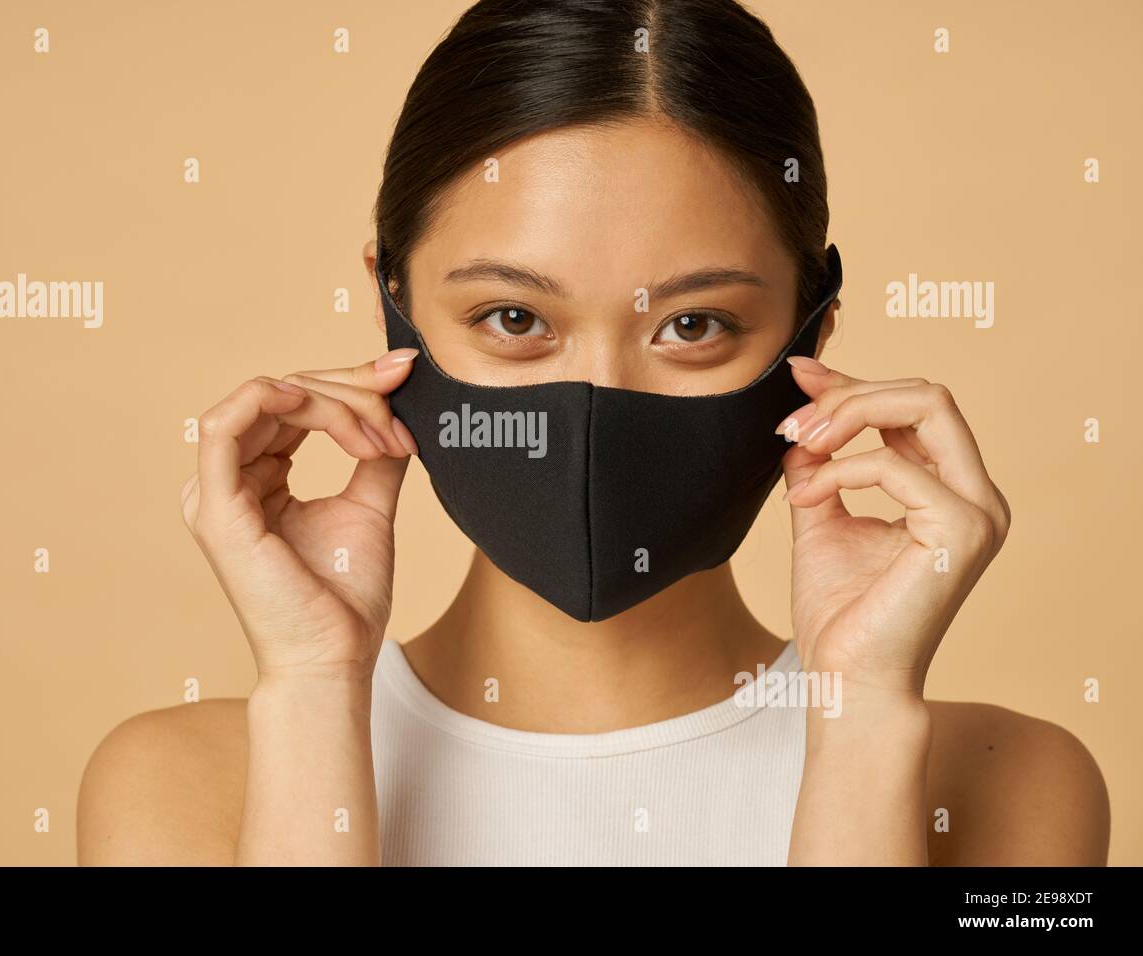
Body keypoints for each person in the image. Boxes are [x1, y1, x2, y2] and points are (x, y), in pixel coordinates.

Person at [77, 0, 1109, 866]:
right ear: (392, 307)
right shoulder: (182, 783)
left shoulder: (1006, 784)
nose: (593, 398)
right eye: (514, 319)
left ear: (812, 329)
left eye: (692, 325)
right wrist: (311, 687)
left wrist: (861, 712)